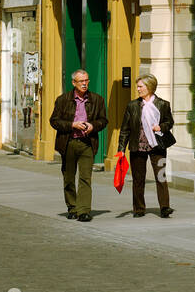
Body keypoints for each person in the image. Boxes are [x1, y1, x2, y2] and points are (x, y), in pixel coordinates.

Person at [49, 68, 107, 222]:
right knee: (68, 177)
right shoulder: (63, 100)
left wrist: (93, 125)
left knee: (85, 178)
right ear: (74, 83)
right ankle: (72, 207)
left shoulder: (97, 100)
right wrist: (72, 124)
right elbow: (54, 121)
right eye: (81, 81)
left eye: (87, 80)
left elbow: (103, 120)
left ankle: (83, 211)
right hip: (68, 143)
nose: (85, 84)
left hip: (88, 143)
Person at [118, 74, 174, 218]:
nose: (138, 89)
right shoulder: (132, 106)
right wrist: (121, 149)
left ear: (149, 87)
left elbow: (170, 122)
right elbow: (125, 129)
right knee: (138, 179)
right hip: (138, 146)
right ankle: (139, 209)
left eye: (140, 86)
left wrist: (161, 127)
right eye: (137, 86)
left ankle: (165, 207)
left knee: (161, 176)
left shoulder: (163, 104)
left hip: (158, 146)